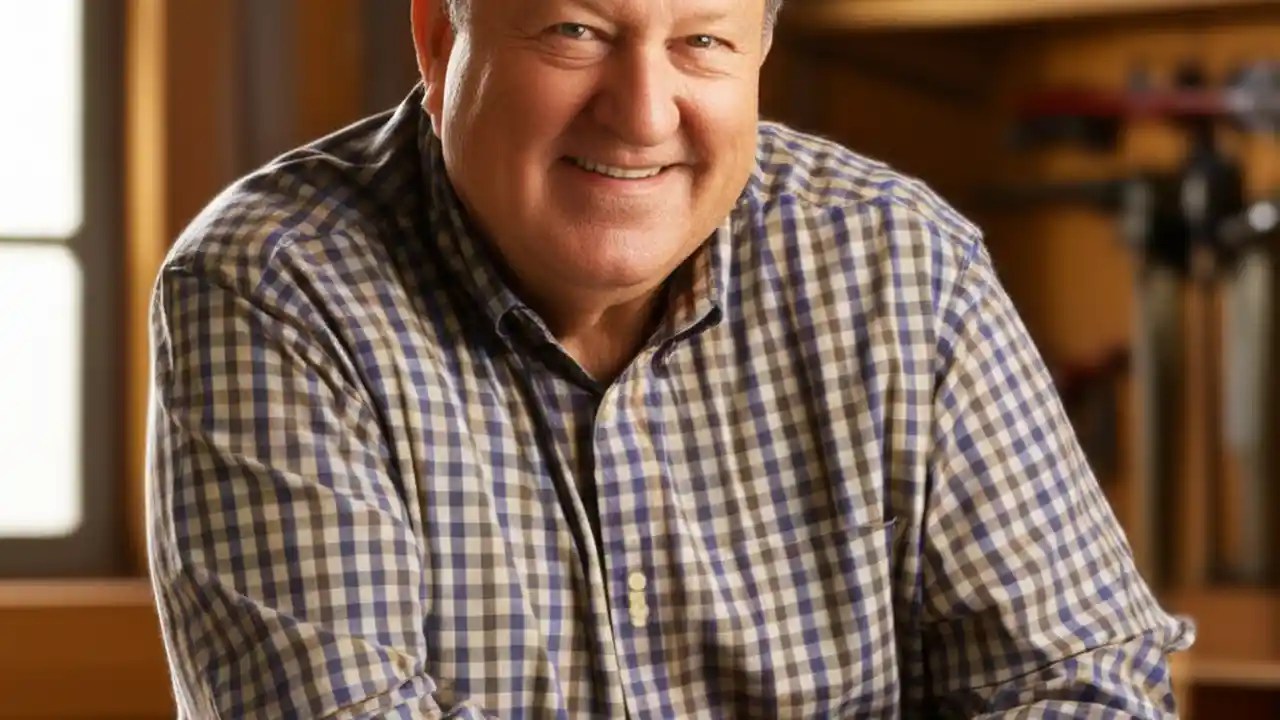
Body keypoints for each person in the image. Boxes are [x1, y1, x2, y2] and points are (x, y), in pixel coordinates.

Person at [146, 0, 1194, 717]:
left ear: (758, 58)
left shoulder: (898, 264)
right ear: (436, 37)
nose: (643, 114)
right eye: (576, 32)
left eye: (701, 41)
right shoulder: (277, 287)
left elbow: (1085, 684)